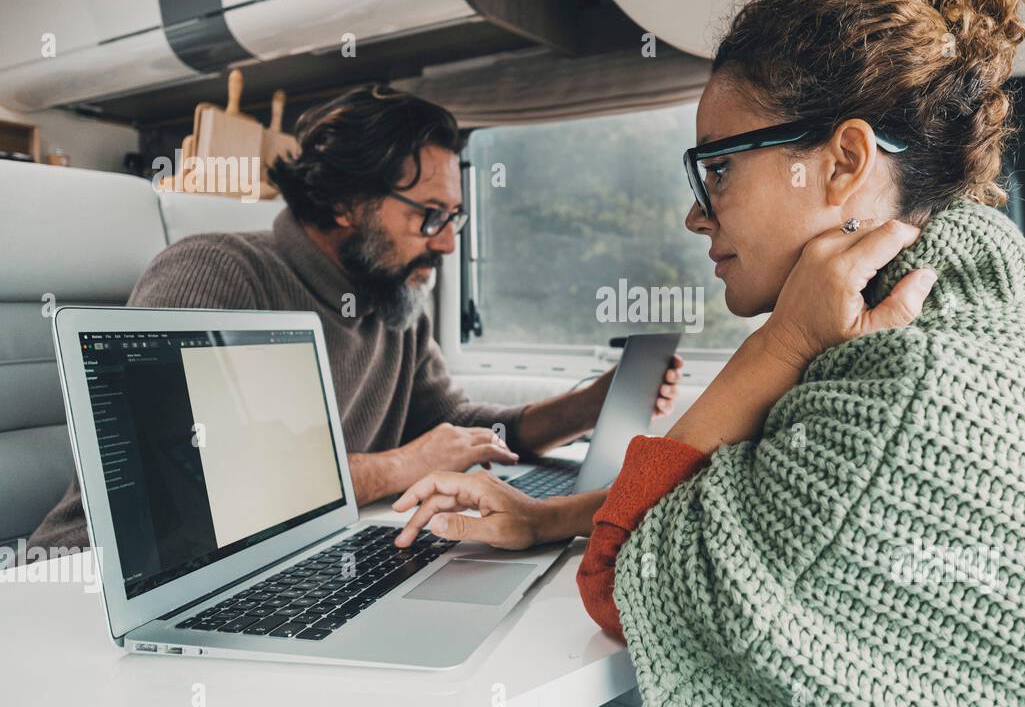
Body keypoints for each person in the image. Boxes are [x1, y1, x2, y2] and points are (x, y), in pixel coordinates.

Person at [389, 0, 1025, 707]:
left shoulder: (907, 383)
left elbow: (622, 579)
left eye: (718, 169)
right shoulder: (963, 306)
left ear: (842, 161)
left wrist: (776, 345)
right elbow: (729, 489)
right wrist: (551, 517)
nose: (696, 212)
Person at [26, 85, 681, 556]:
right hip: (101, 583)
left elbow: (460, 432)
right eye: (429, 216)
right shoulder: (216, 273)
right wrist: (400, 467)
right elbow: (187, 491)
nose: (447, 243)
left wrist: (589, 404)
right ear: (345, 202)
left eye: (453, 219)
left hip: (285, 557)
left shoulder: (392, 300)